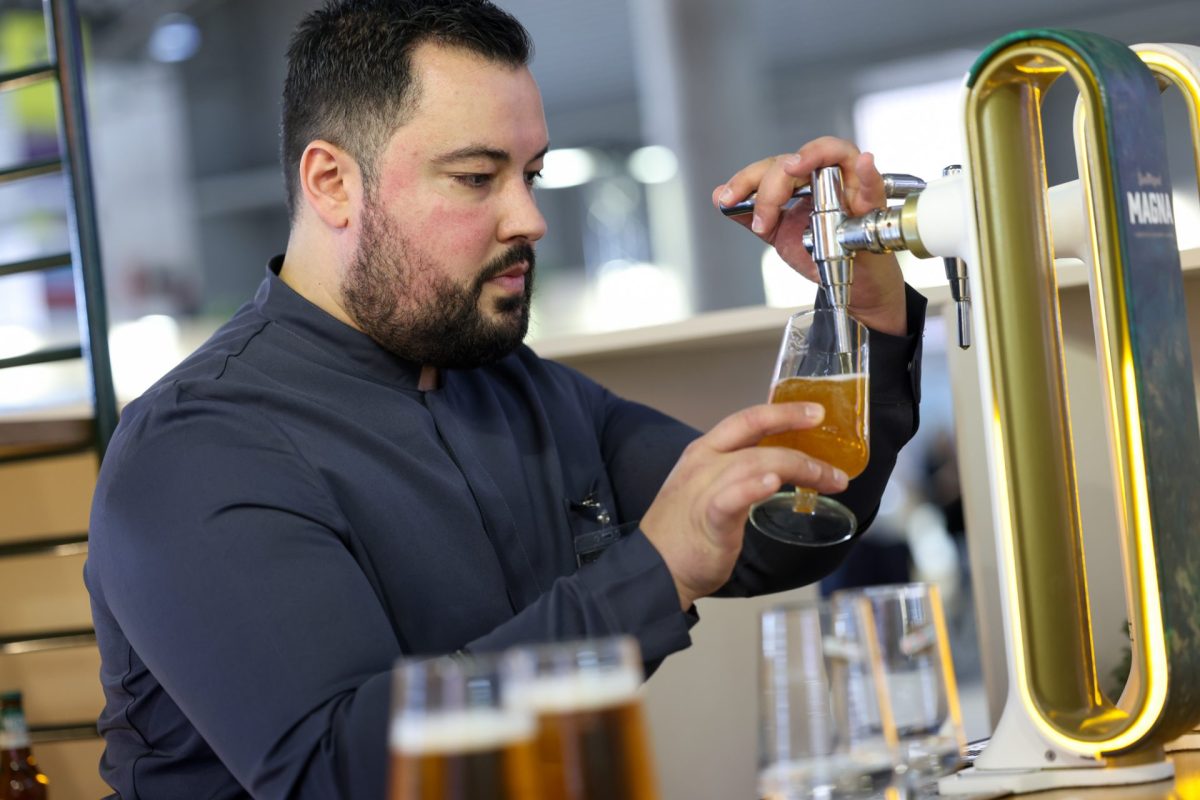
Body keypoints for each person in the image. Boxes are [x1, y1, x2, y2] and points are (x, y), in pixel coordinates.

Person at [84, 1, 926, 797]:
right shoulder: (195, 449)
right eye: (477, 176)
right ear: (332, 182)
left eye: (531, 174)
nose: (529, 217)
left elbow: (783, 523)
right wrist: (652, 573)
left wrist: (864, 310)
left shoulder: (516, 387)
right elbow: (337, 771)